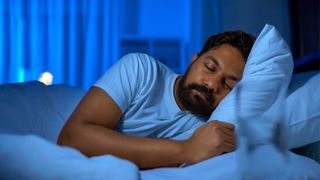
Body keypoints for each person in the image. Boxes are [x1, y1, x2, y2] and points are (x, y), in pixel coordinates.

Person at [57, 31, 256, 169]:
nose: (212, 84)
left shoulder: (213, 126)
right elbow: (71, 138)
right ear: (194, 59)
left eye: (229, 84)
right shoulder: (141, 70)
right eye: (210, 68)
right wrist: (188, 149)